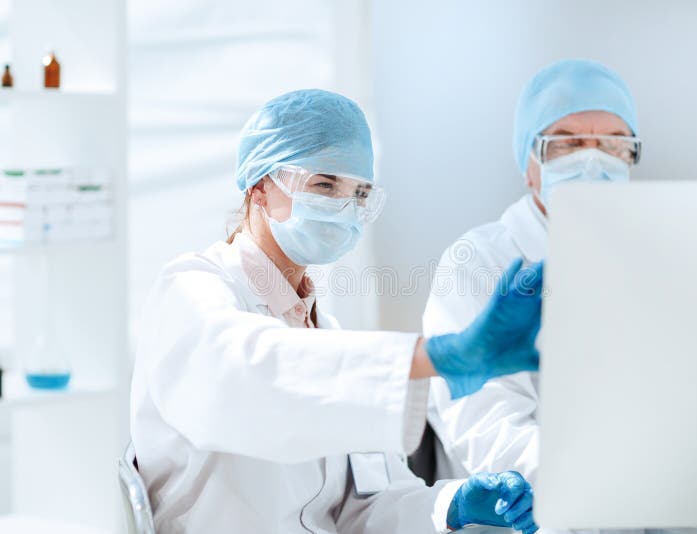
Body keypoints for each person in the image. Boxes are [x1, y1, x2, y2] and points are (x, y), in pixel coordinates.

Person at [130, 89, 542, 534]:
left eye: (360, 191)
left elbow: (360, 508)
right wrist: (436, 357)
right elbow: (246, 373)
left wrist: (452, 503)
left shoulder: (321, 330)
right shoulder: (191, 289)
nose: (345, 207)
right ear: (260, 186)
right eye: (325, 185)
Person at [423, 60, 697, 533]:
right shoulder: (477, 261)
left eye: (613, 144)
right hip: (536, 512)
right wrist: (603, 484)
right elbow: (485, 426)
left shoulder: (666, 259)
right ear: (528, 164)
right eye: (566, 142)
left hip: (661, 503)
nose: (592, 159)